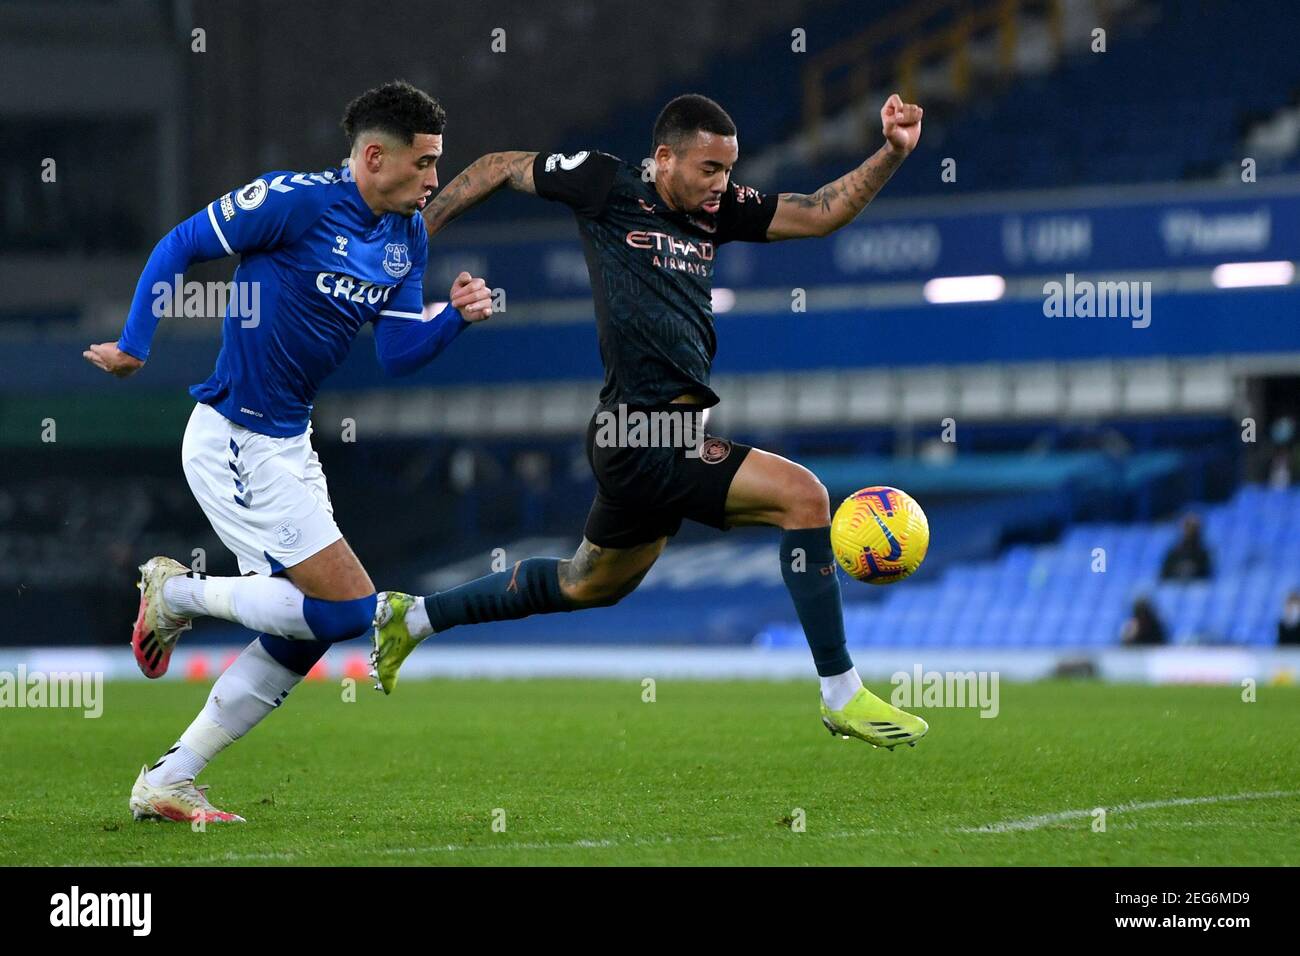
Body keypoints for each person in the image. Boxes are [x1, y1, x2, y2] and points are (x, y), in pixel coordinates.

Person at [372, 92, 930, 750]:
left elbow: (819, 213)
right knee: (803, 497)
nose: (722, 184)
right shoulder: (605, 183)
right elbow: (498, 165)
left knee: (588, 585)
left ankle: (414, 618)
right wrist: (415, 237)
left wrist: (892, 151)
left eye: (729, 170)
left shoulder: (715, 212)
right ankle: (840, 693)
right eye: (710, 169)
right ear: (664, 158)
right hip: (642, 433)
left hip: (650, 440)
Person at [83, 81, 494, 823]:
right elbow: (181, 243)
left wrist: (455, 320)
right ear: (374, 156)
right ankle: (174, 595)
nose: (436, 180)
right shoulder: (295, 202)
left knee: (308, 632)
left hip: (290, 443)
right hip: (234, 438)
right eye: (426, 163)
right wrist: (135, 346)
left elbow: (398, 353)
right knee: (349, 614)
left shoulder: (408, 235)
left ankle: (172, 777)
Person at [1160, 514, 1211, 581]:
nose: (1190, 530)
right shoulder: (1174, 552)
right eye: (1187, 526)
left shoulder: (1203, 553)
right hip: (1174, 587)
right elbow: (1164, 574)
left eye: (1193, 527)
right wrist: (1178, 570)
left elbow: (1207, 575)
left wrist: (1193, 570)